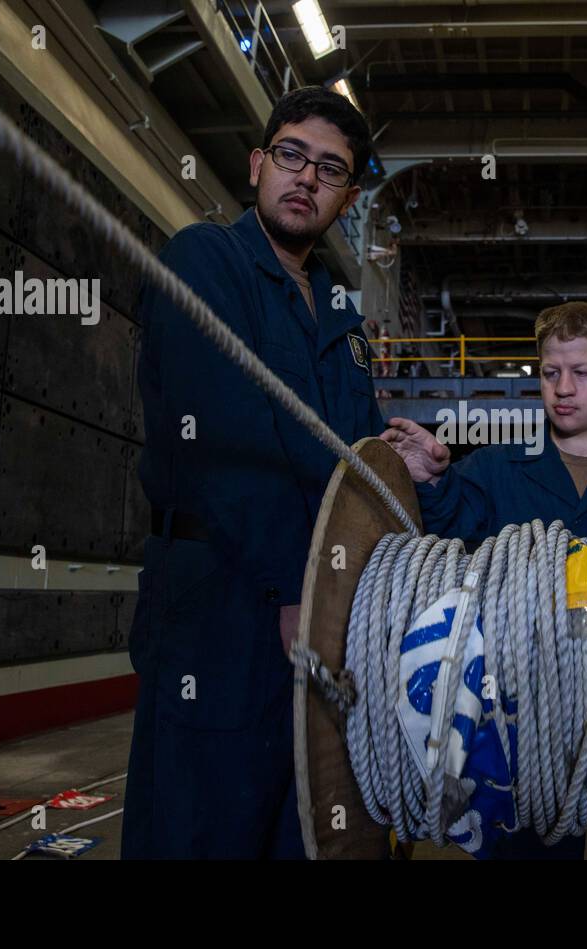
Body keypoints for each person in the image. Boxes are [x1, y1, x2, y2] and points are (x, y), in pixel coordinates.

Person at [122, 87, 382, 858]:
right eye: (292, 155)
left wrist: (410, 461)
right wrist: (293, 586)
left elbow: (353, 458)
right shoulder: (205, 261)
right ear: (257, 163)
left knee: (299, 829)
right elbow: (223, 439)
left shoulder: (339, 314)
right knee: (201, 828)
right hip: (221, 606)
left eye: (329, 170)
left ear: (347, 198)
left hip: (318, 616)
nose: (305, 177)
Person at [382, 300, 587, 859]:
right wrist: (431, 480)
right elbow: (447, 535)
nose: (563, 388)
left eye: (581, 373)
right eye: (551, 372)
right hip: (522, 725)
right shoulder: (494, 469)